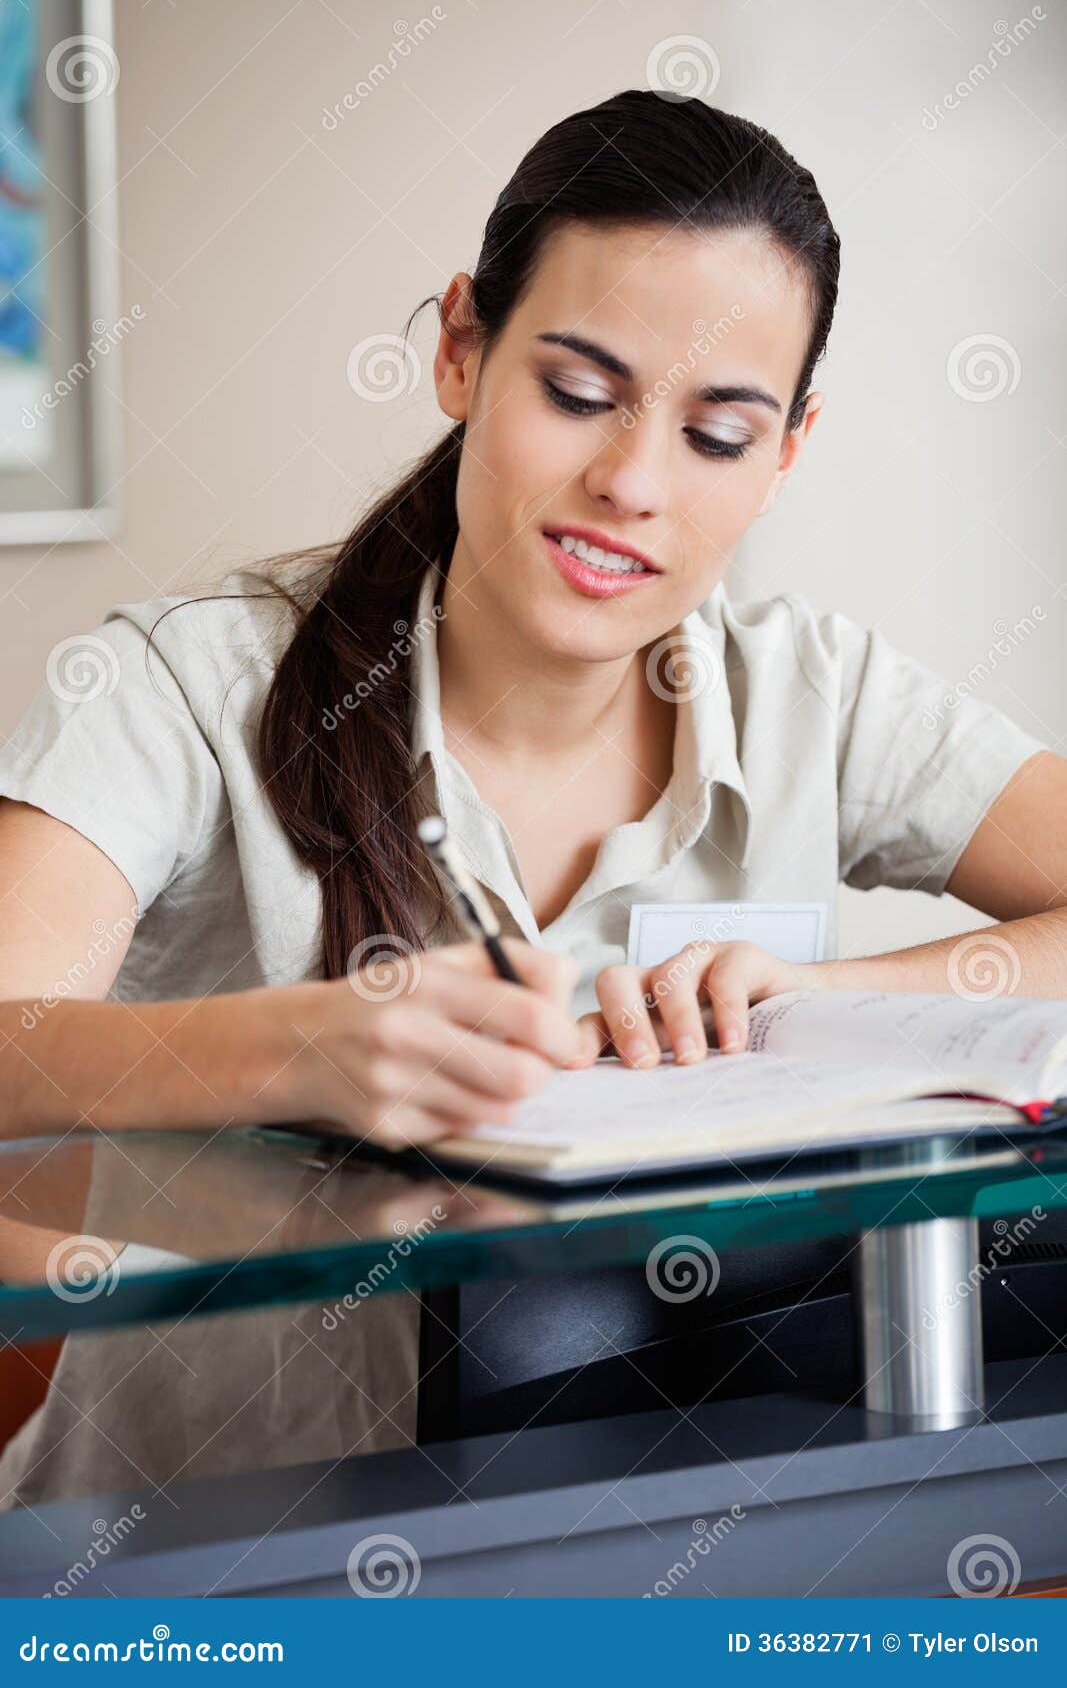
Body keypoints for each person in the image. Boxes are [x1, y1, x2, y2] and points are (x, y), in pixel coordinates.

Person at [0, 91, 1062, 1510]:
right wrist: (291, 1050)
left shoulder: (814, 689)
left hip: (640, 1549)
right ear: (462, 349)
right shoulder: (182, 686)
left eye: (718, 433)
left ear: (789, 451)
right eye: (576, 394)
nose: (631, 482)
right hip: (184, 1566)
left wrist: (824, 997)